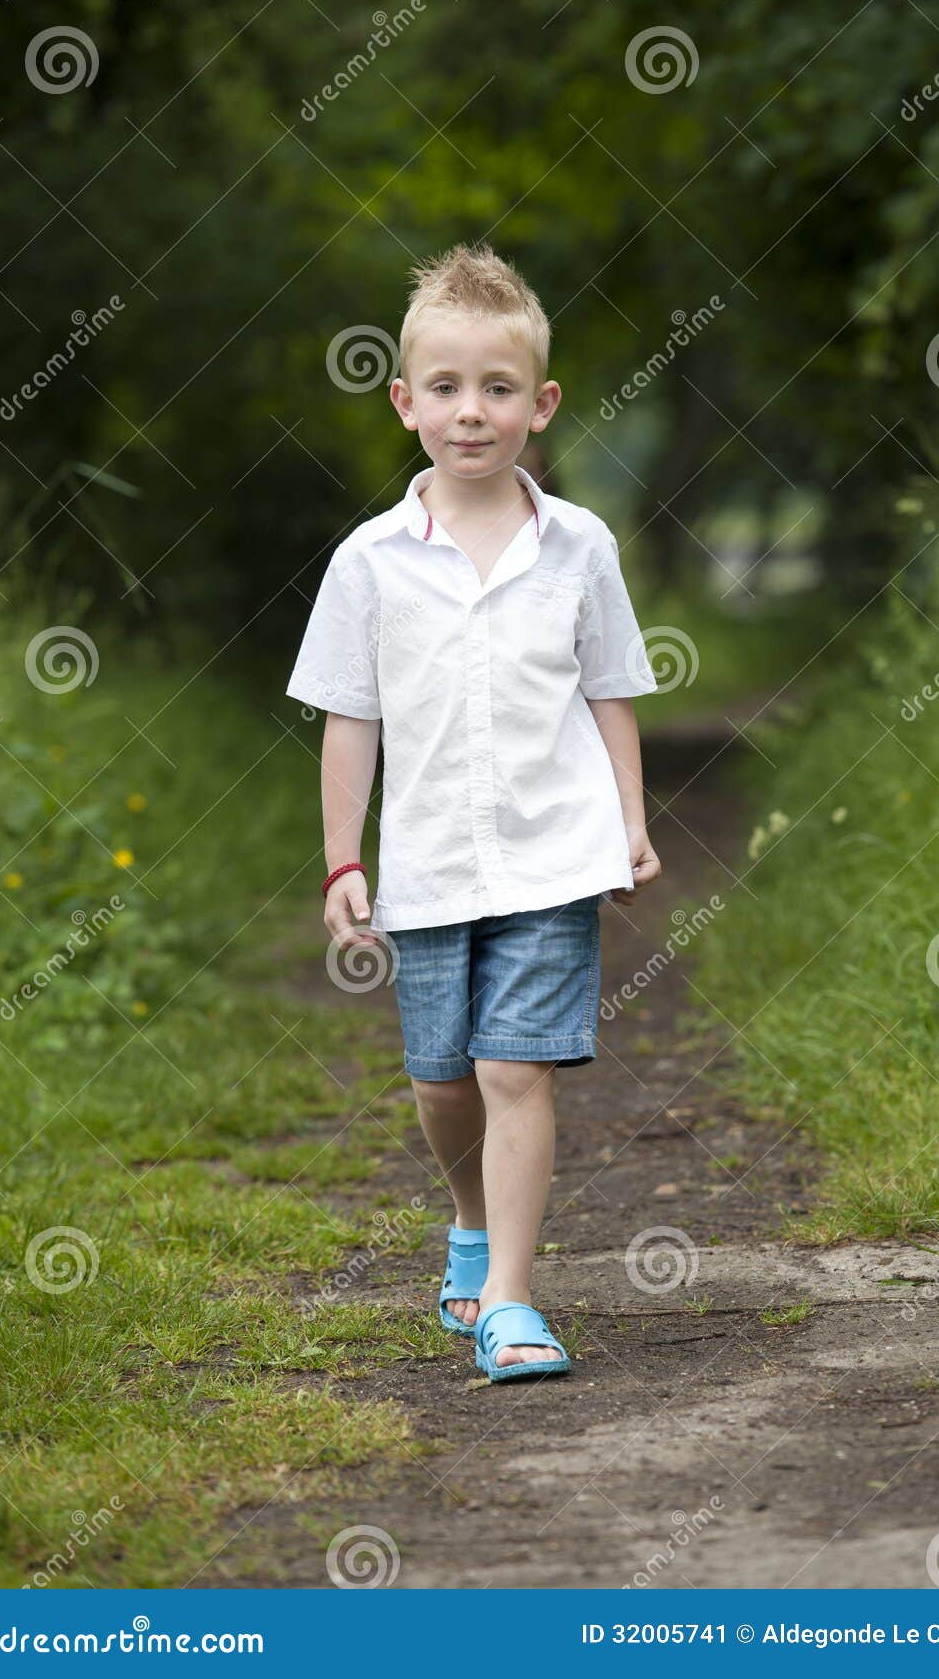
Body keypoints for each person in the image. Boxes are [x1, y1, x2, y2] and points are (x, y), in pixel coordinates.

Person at [286, 242, 661, 1382]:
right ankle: (467, 1220)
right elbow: (352, 720)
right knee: (444, 1080)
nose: (471, 411)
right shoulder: (369, 564)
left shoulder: (581, 547)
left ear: (539, 405)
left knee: (515, 1072)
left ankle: (509, 1299)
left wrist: (631, 824)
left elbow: (610, 694)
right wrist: (342, 863)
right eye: (445, 388)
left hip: (554, 855)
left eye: (498, 389)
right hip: (433, 862)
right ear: (405, 403)